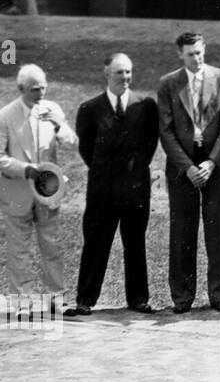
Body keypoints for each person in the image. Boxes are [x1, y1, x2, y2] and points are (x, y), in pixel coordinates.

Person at [67, 54, 160, 316]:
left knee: (135, 244)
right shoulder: (90, 108)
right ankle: (85, 299)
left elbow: (149, 146)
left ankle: (138, 299)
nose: (125, 78)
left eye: (129, 72)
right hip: (102, 191)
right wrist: (107, 172)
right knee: (96, 244)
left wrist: (134, 172)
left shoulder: (145, 106)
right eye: (119, 72)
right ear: (106, 73)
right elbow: (87, 150)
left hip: (135, 189)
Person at [156, 31, 220, 315]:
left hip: (214, 163)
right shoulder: (169, 83)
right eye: (190, 54)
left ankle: (219, 295)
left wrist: (212, 162)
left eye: (200, 52)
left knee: (218, 230)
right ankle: (182, 296)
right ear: (180, 54)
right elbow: (165, 130)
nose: (197, 58)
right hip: (183, 167)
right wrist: (188, 167)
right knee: (182, 232)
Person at [0, 64, 77, 302]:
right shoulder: (5, 116)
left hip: (48, 191)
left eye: (43, 88)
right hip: (17, 190)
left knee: (52, 245)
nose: (41, 94)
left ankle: (56, 298)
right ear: (21, 89)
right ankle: (21, 301)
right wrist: (25, 170)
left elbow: (71, 142)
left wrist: (59, 124)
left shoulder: (52, 109)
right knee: (19, 249)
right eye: (34, 90)